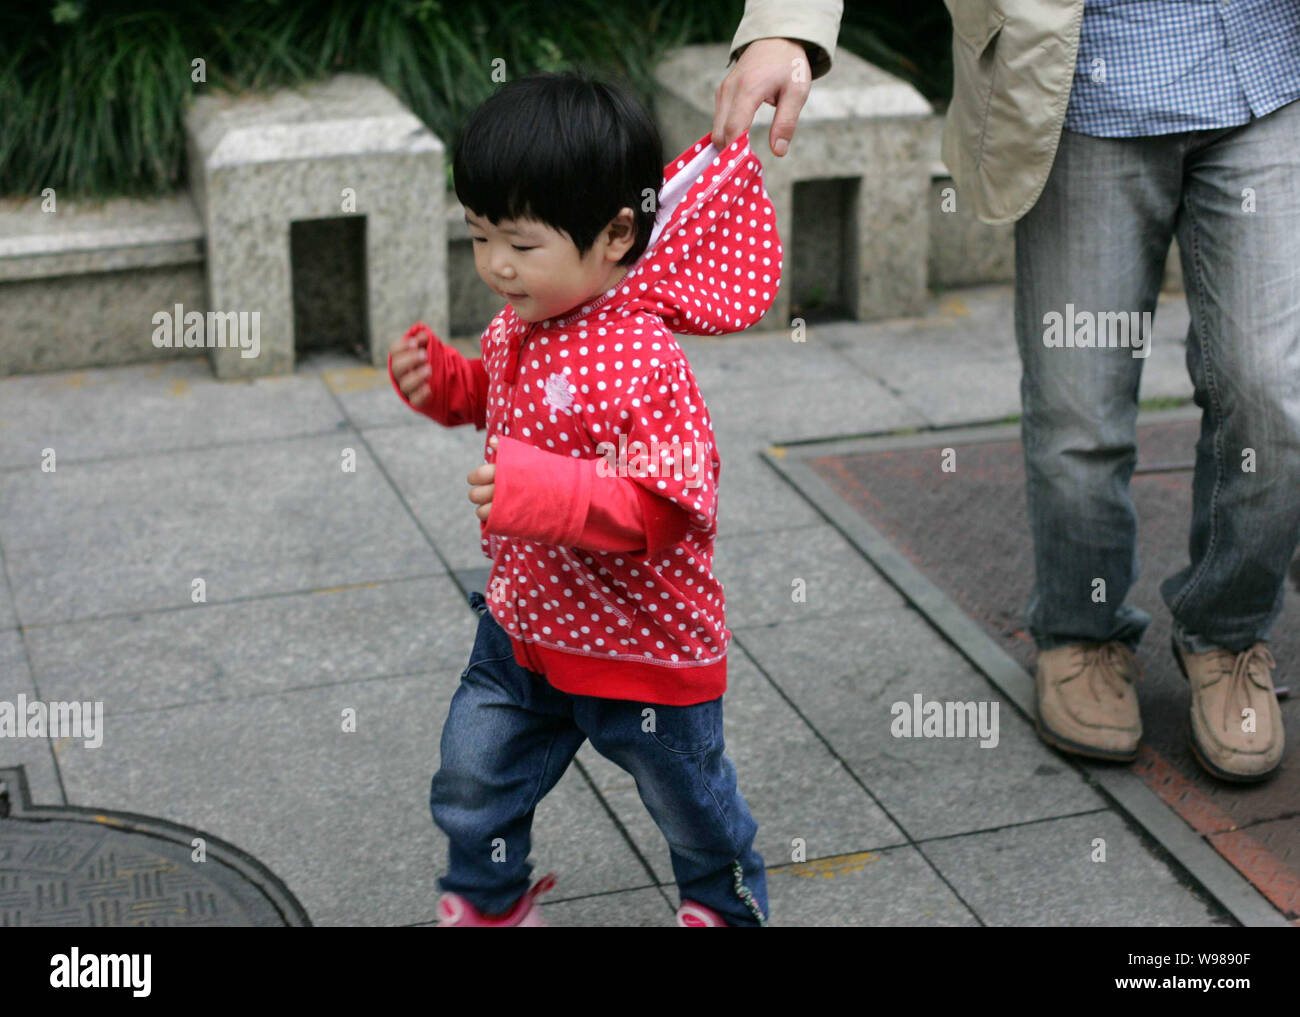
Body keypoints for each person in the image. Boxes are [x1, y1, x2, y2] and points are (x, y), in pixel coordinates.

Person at [714, 0, 1299, 782]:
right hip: (1084, 88)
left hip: (1268, 70)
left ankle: (1228, 635)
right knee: (1078, 412)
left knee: (1273, 392)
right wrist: (787, 25)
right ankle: (1080, 630)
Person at [388, 69, 783, 926]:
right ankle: (488, 897)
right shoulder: (519, 325)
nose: (495, 265)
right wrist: (441, 382)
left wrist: (543, 493)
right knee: (472, 772)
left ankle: (725, 902)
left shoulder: (644, 358)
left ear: (615, 234)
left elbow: (670, 502)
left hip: (644, 651)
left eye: (521, 245)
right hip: (524, 630)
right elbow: (494, 395)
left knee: (693, 806)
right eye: (478, 235)